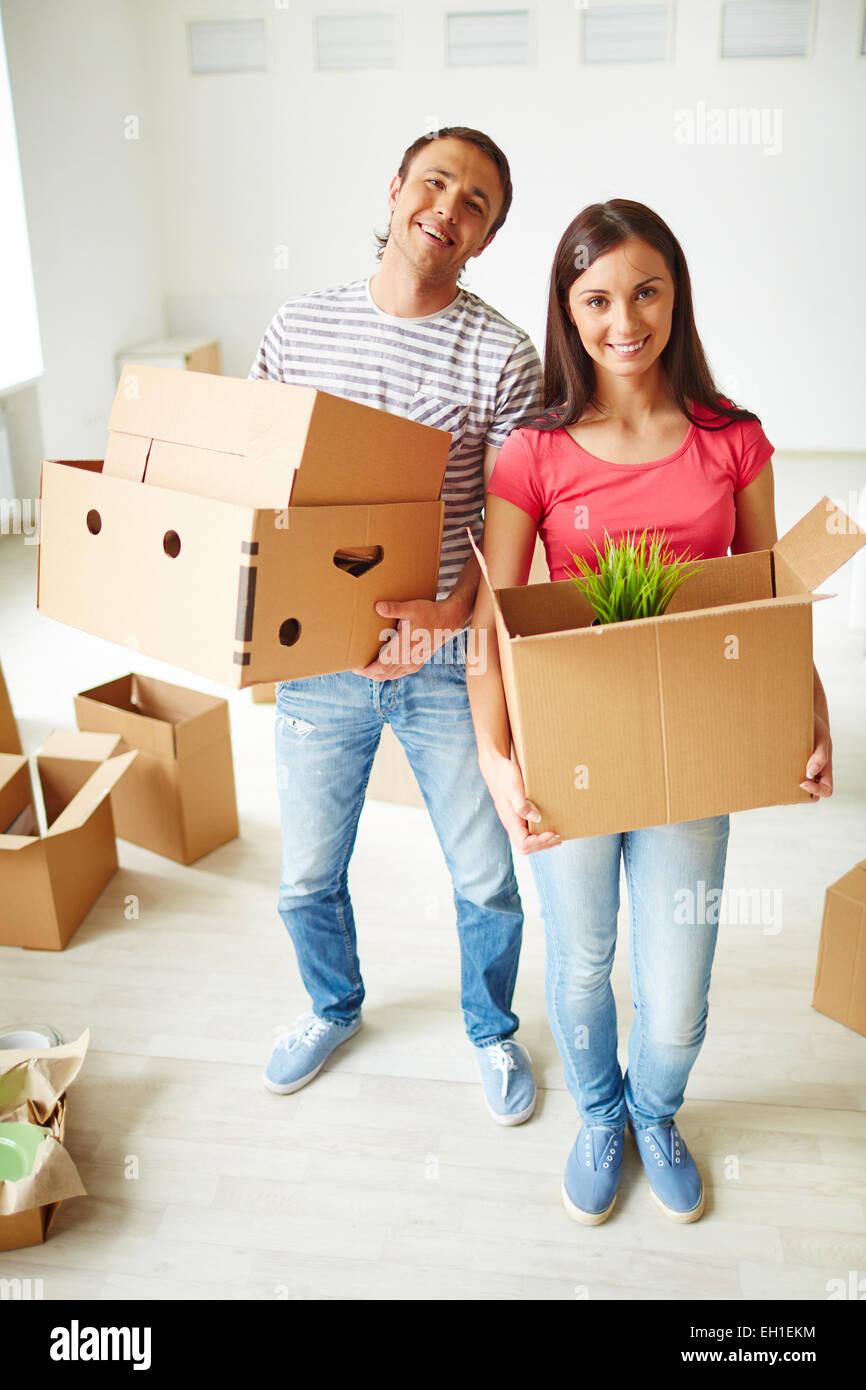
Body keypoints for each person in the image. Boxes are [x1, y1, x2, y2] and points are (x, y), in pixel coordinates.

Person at [467, 199, 833, 1218]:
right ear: (565, 308)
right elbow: (493, 627)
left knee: (672, 990)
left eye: (644, 290)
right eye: (594, 298)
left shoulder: (733, 439)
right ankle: (597, 1112)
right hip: (572, 746)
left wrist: (809, 717)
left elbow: (770, 599)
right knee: (581, 962)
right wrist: (498, 766)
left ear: (674, 293)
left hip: (692, 750)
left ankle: (654, 1107)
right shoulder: (532, 451)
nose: (622, 318)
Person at [249, 127, 544, 1123]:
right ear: (394, 189)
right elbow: (256, 489)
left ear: (485, 235)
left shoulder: (501, 352)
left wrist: (446, 617)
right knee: (303, 872)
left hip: (444, 659)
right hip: (317, 658)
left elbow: (506, 531)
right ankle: (331, 1007)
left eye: (474, 203)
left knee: (483, 870)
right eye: (434, 184)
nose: (446, 210)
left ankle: (491, 1029)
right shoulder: (297, 327)